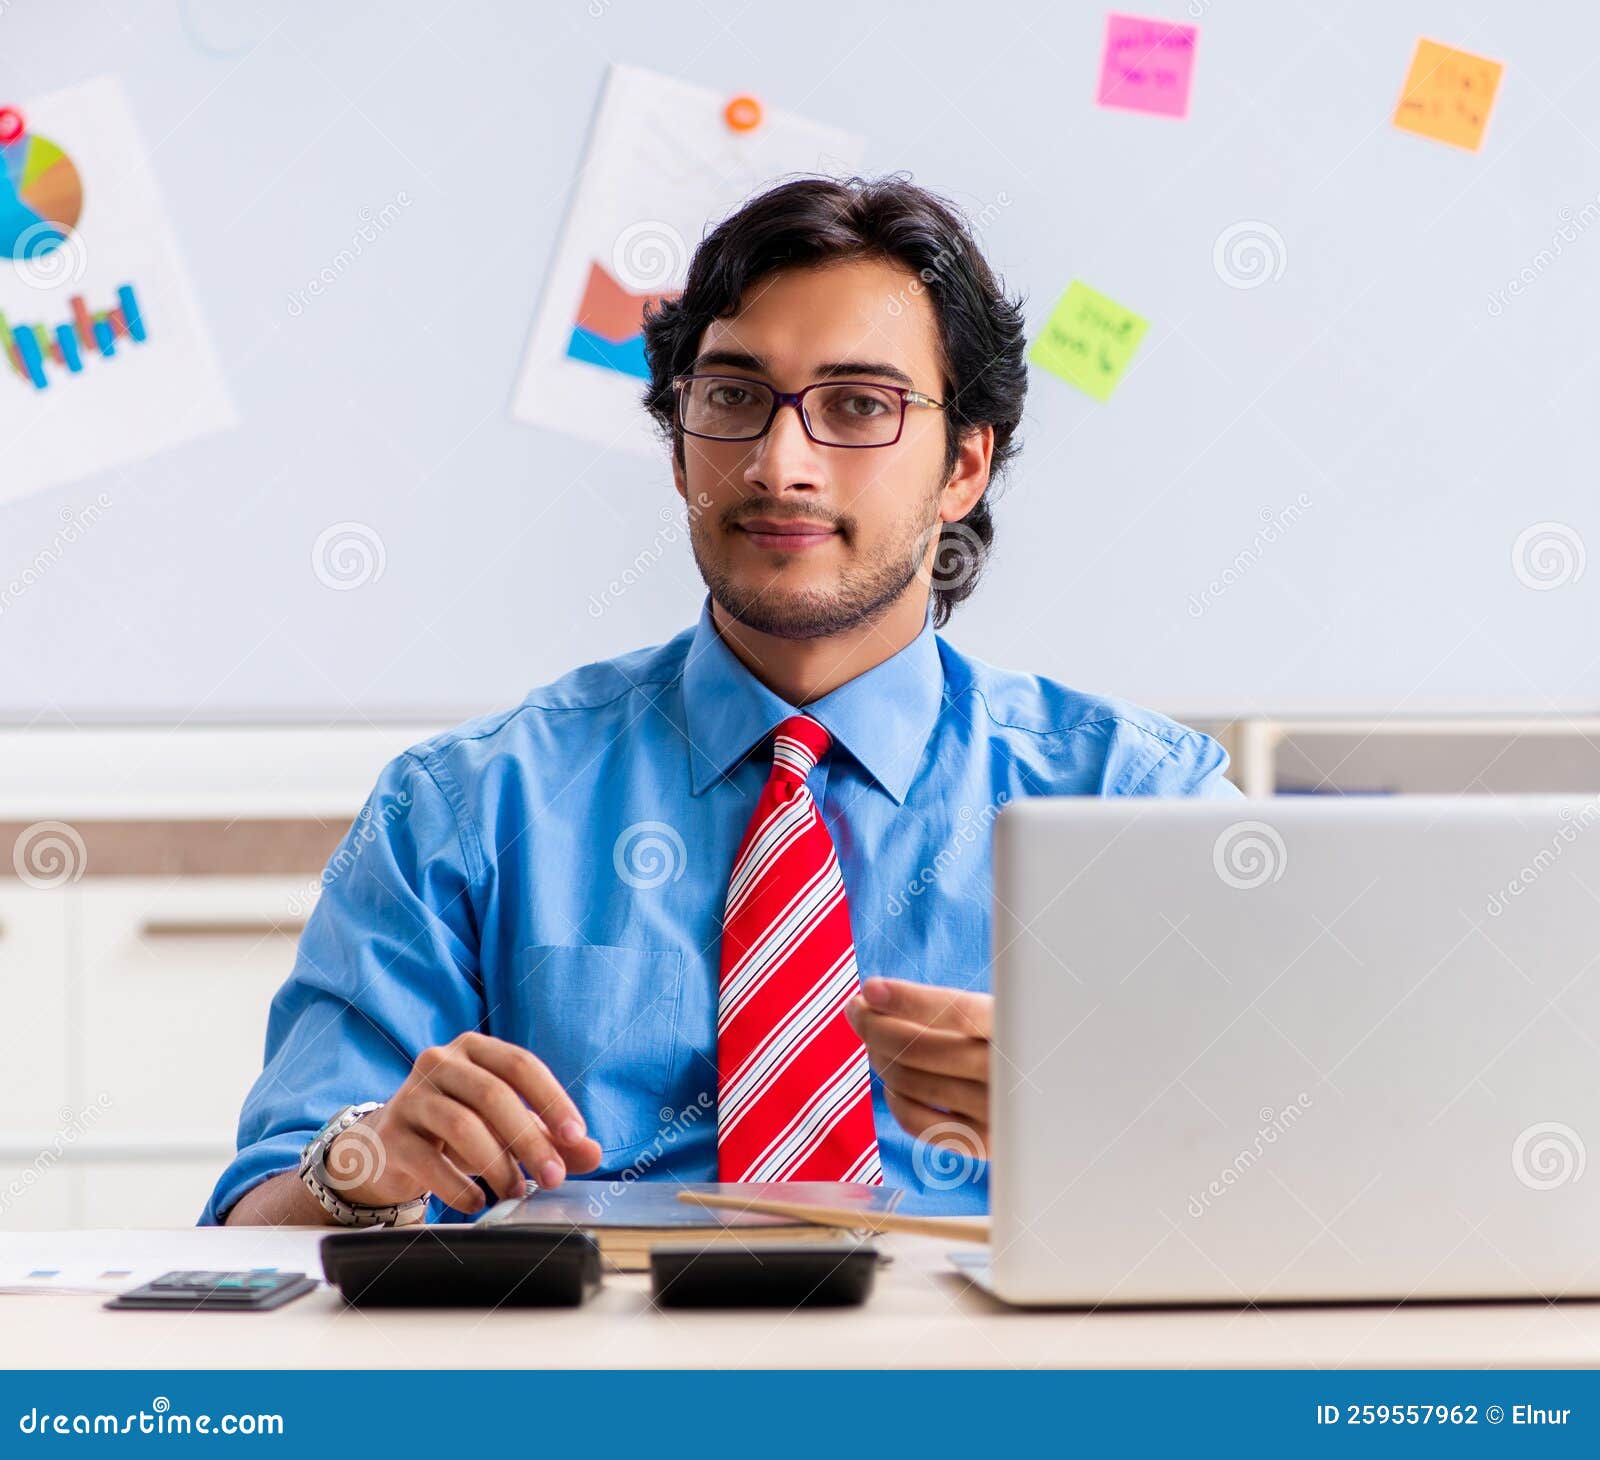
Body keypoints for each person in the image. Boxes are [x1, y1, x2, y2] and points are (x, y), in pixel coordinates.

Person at [208, 174, 1239, 1228]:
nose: (777, 463)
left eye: (858, 406)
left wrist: (1122, 1123)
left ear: (963, 466)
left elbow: (1314, 1189)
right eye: (734, 396)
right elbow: (260, 1220)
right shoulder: (469, 806)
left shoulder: (1136, 805)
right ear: (678, 444)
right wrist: (364, 1164)